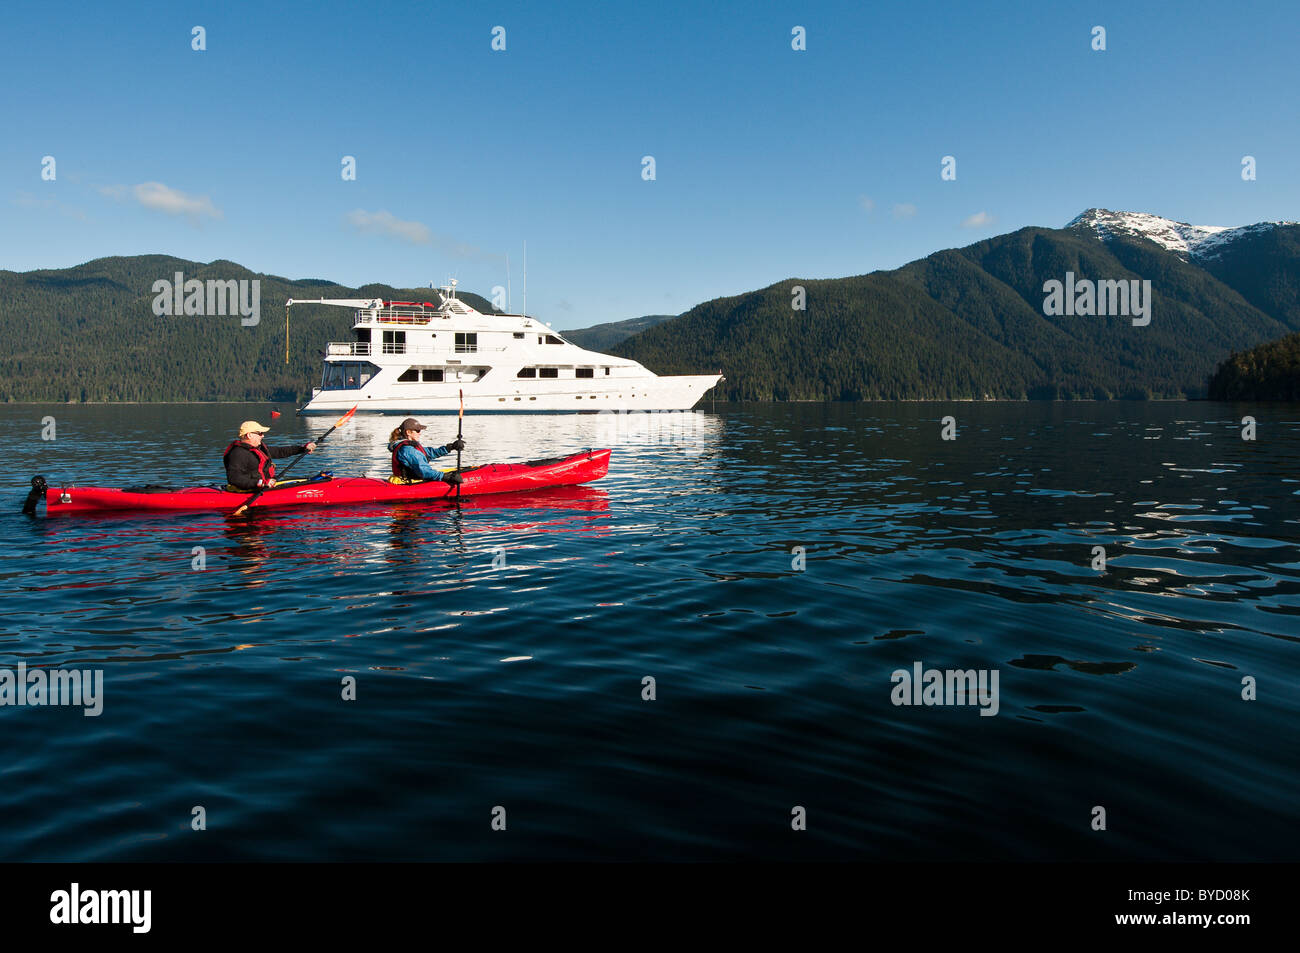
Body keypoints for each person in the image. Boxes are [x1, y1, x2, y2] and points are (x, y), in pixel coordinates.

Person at [224, 421, 317, 491]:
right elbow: (234, 478)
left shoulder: (259, 448)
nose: (263, 436)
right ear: (249, 435)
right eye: (260, 433)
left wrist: (302, 448)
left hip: (265, 486)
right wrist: (261, 483)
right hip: (248, 491)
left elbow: (280, 451)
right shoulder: (237, 454)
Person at [387, 417, 465, 484]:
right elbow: (424, 471)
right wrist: (446, 477)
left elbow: (430, 453)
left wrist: (450, 447)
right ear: (408, 432)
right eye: (417, 431)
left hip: (413, 477)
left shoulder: (411, 446)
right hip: (407, 482)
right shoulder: (408, 450)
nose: (419, 433)